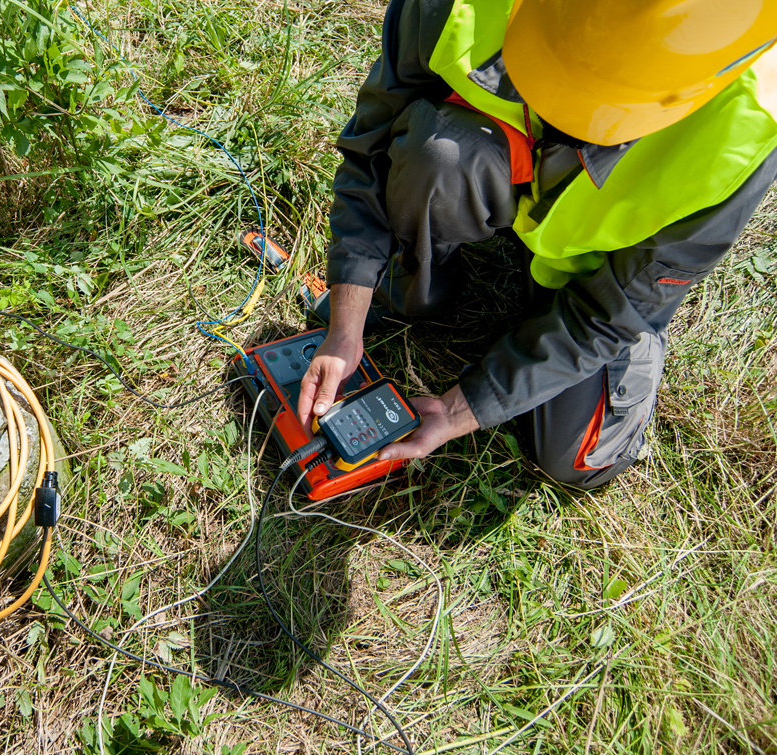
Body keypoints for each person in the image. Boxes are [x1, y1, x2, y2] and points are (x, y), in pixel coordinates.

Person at [296, 0, 777, 488]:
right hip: (494, 154)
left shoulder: (744, 128)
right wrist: (346, 324)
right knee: (436, 158)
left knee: (575, 459)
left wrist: (458, 409)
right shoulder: (459, 7)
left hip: (595, 274)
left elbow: (611, 313)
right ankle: (412, 284)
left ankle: (621, 345)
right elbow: (370, 148)